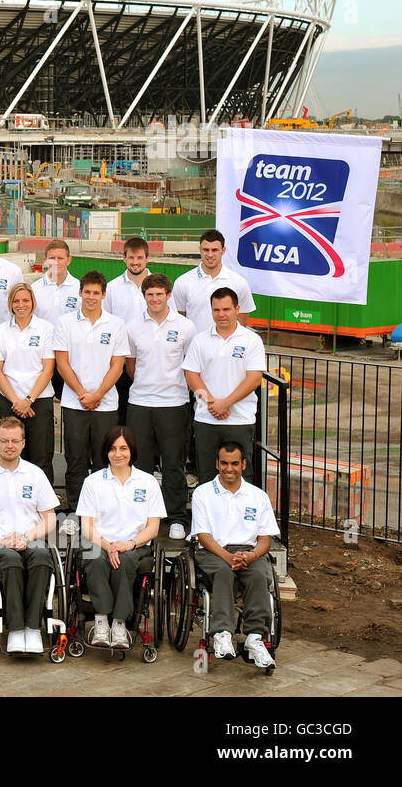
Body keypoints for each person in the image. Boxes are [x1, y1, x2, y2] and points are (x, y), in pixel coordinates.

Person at [0, 416, 59, 654]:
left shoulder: (35, 474)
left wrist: (27, 537)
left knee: (40, 557)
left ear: (23, 443)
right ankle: (16, 629)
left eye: (15, 441)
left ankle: (33, 629)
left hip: (30, 539)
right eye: (4, 440)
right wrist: (1, 540)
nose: (9, 445)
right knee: (11, 559)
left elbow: (50, 518)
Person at [189, 442, 278, 669]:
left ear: (244, 465)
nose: (230, 469)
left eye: (235, 463)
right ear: (217, 464)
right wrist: (228, 558)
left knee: (260, 574)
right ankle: (222, 633)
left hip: (248, 551)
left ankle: (255, 638)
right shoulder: (203, 493)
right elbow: (203, 536)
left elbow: (265, 539)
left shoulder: (258, 496)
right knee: (222, 572)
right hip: (213, 550)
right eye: (225, 463)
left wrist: (251, 556)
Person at [75, 426, 165, 649]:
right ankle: (101, 621)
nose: (118, 454)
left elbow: (153, 528)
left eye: (123, 448)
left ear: (132, 451)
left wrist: (128, 544)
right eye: (113, 449)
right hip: (99, 542)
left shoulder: (148, 482)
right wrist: (108, 545)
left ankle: (119, 623)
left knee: (124, 561)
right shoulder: (93, 482)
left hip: (135, 545)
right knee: (96, 560)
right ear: (106, 451)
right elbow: (86, 526)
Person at [125, 273, 197, 538]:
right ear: (144, 297)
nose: (154, 299)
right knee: (140, 465)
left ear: (168, 295)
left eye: (159, 294)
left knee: (173, 465)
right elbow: (131, 364)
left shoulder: (186, 326)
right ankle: (143, 517)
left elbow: (191, 364)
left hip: (174, 404)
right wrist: (146, 384)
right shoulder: (132, 327)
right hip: (140, 403)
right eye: (149, 294)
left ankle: (176, 517)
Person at [54, 271, 129, 510]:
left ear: (104, 294)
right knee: (75, 459)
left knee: (104, 458)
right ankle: (77, 509)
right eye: (87, 292)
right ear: (80, 292)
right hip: (74, 403)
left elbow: (118, 365)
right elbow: (62, 363)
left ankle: (103, 508)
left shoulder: (116, 325)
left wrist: (98, 395)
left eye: (96, 293)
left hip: (105, 404)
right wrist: (82, 393)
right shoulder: (65, 322)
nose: (91, 297)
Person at [182, 288, 266, 484]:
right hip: (206, 419)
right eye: (216, 310)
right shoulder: (200, 340)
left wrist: (226, 403)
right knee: (207, 477)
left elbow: (254, 378)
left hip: (239, 420)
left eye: (226, 309)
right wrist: (211, 402)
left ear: (237, 309)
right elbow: (191, 375)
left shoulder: (251, 340)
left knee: (241, 478)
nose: (221, 315)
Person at [0, 282, 56, 482]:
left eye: (26, 300)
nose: (21, 305)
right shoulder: (0, 331)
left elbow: (48, 368)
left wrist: (28, 399)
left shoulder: (46, 329)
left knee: (41, 456)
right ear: (10, 304)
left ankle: (43, 507)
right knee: (10, 454)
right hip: (9, 401)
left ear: (33, 303)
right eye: (16, 301)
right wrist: (16, 401)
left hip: (39, 401)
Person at [105, 237, 151, 424]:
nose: (135, 262)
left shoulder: (158, 287)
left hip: (149, 361)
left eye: (140, 258)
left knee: (146, 418)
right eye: (131, 257)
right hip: (120, 363)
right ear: (123, 257)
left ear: (147, 258)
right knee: (121, 416)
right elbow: (106, 323)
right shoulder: (112, 288)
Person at [171, 230, 256, 326]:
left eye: (215, 250)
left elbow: (242, 323)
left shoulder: (239, 283)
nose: (210, 255)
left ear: (223, 250)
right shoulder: (182, 282)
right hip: (194, 341)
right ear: (200, 250)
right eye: (206, 250)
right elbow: (180, 322)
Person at [31, 239, 81, 328]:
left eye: (60, 258)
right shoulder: (33, 289)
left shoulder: (80, 289)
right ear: (45, 260)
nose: (56, 262)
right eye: (52, 258)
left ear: (69, 260)